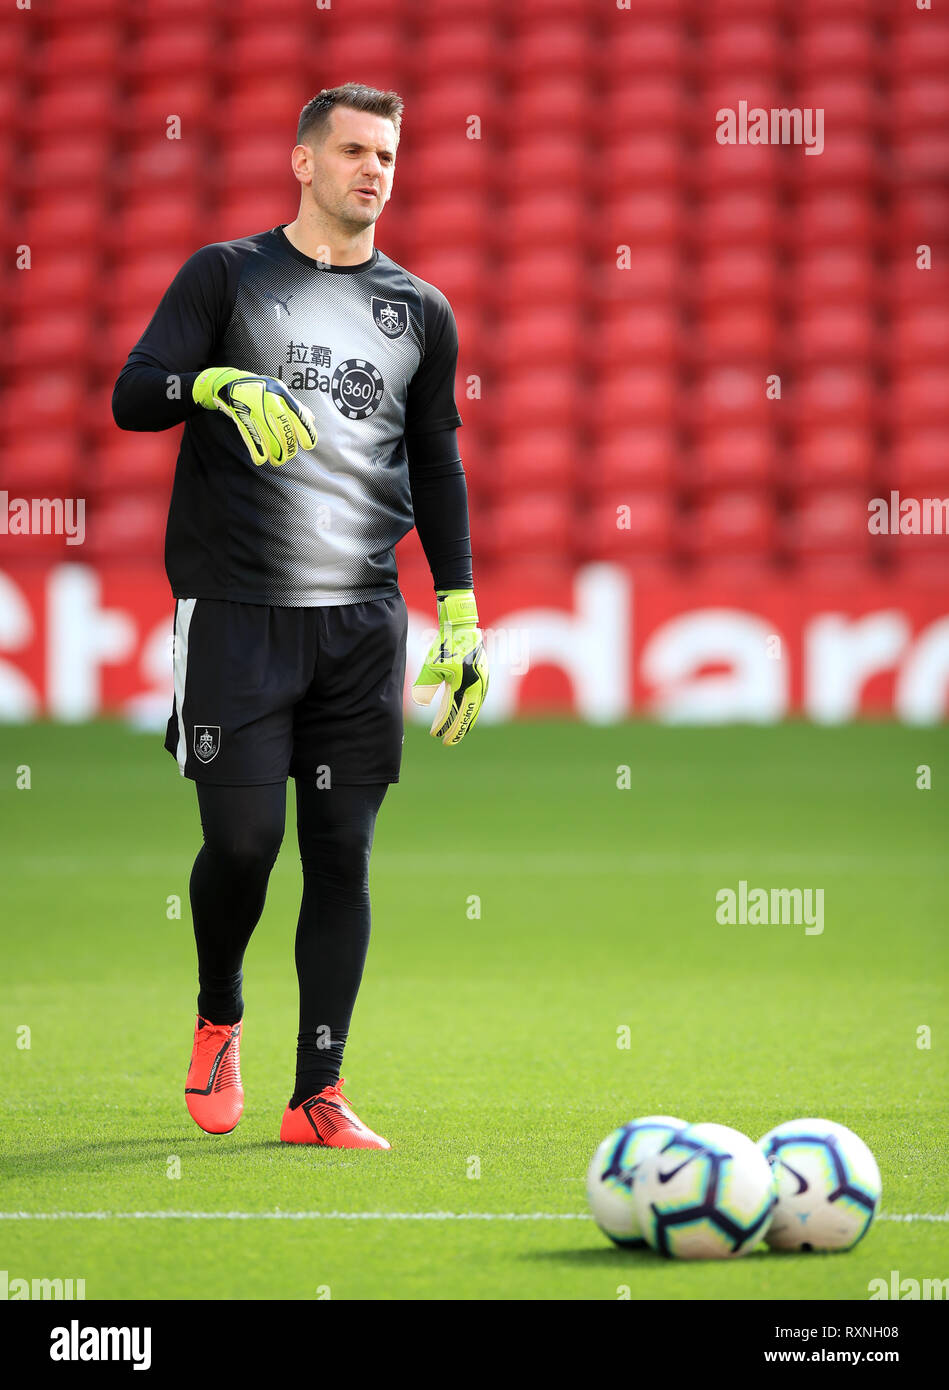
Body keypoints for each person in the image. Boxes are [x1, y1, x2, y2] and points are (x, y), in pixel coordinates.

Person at [112, 82, 488, 1150]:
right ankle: (218, 1012)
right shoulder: (226, 276)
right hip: (237, 613)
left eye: (390, 154)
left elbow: (439, 461)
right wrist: (215, 383)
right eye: (356, 150)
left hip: (361, 624)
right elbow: (133, 393)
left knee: (341, 854)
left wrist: (459, 610)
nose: (376, 169)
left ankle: (315, 1091)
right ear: (304, 162)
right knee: (242, 843)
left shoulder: (420, 309)